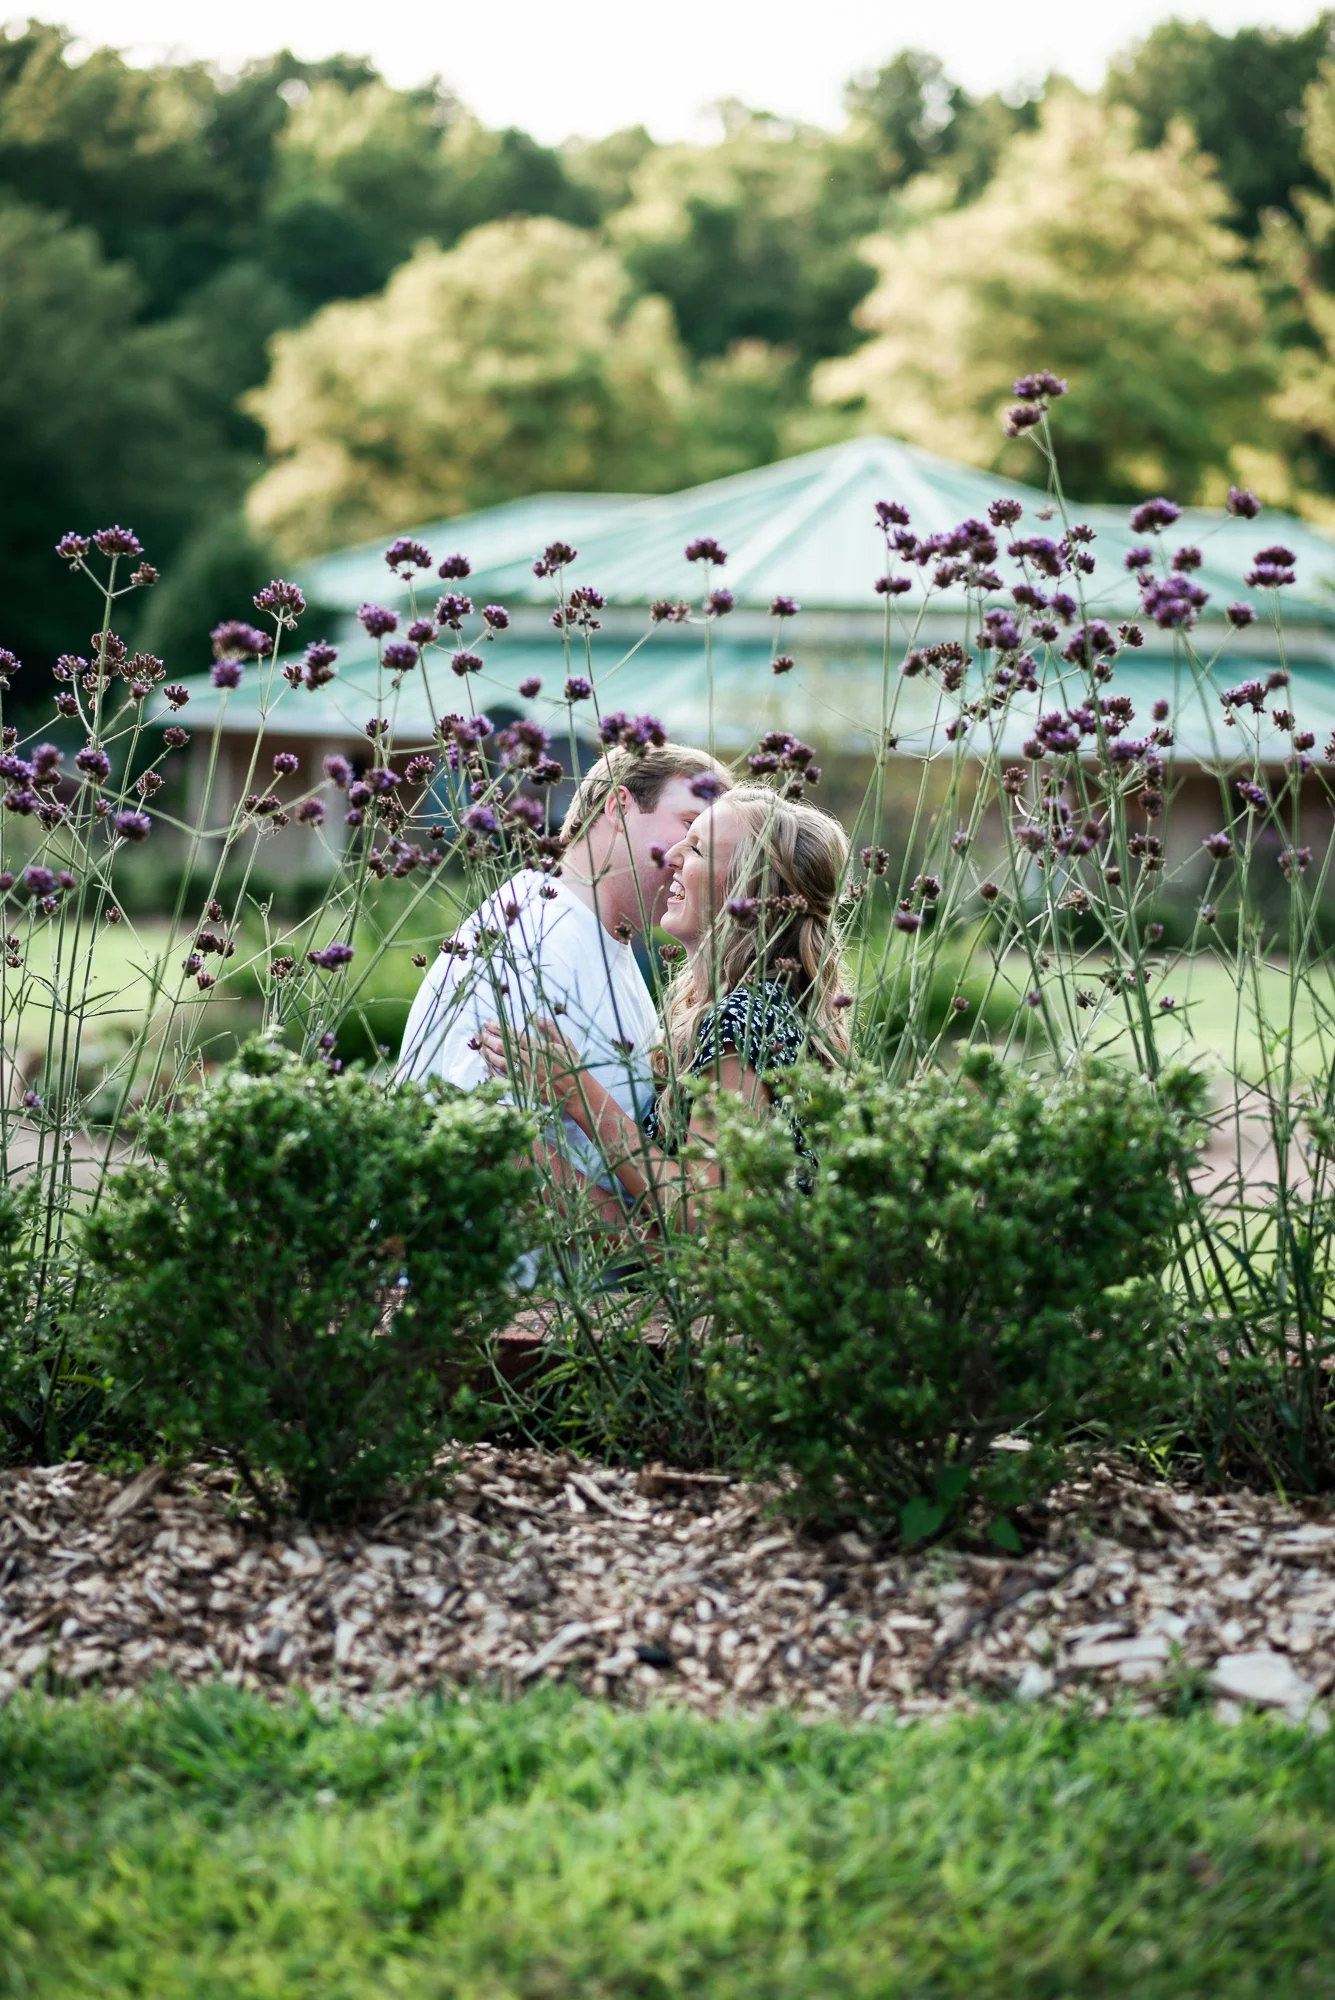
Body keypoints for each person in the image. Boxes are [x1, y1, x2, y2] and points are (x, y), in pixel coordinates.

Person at [480, 784, 852, 1227]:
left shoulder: (745, 1019)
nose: (671, 856)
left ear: (748, 889)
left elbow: (706, 1214)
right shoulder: (768, 1005)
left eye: (697, 848)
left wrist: (578, 1095)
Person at [397, 741, 732, 1193]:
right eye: (688, 828)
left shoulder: (602, 940)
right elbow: (488, 1146)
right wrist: (642, 1243)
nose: (687, 858)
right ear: (618, 806)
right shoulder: (534, 940)